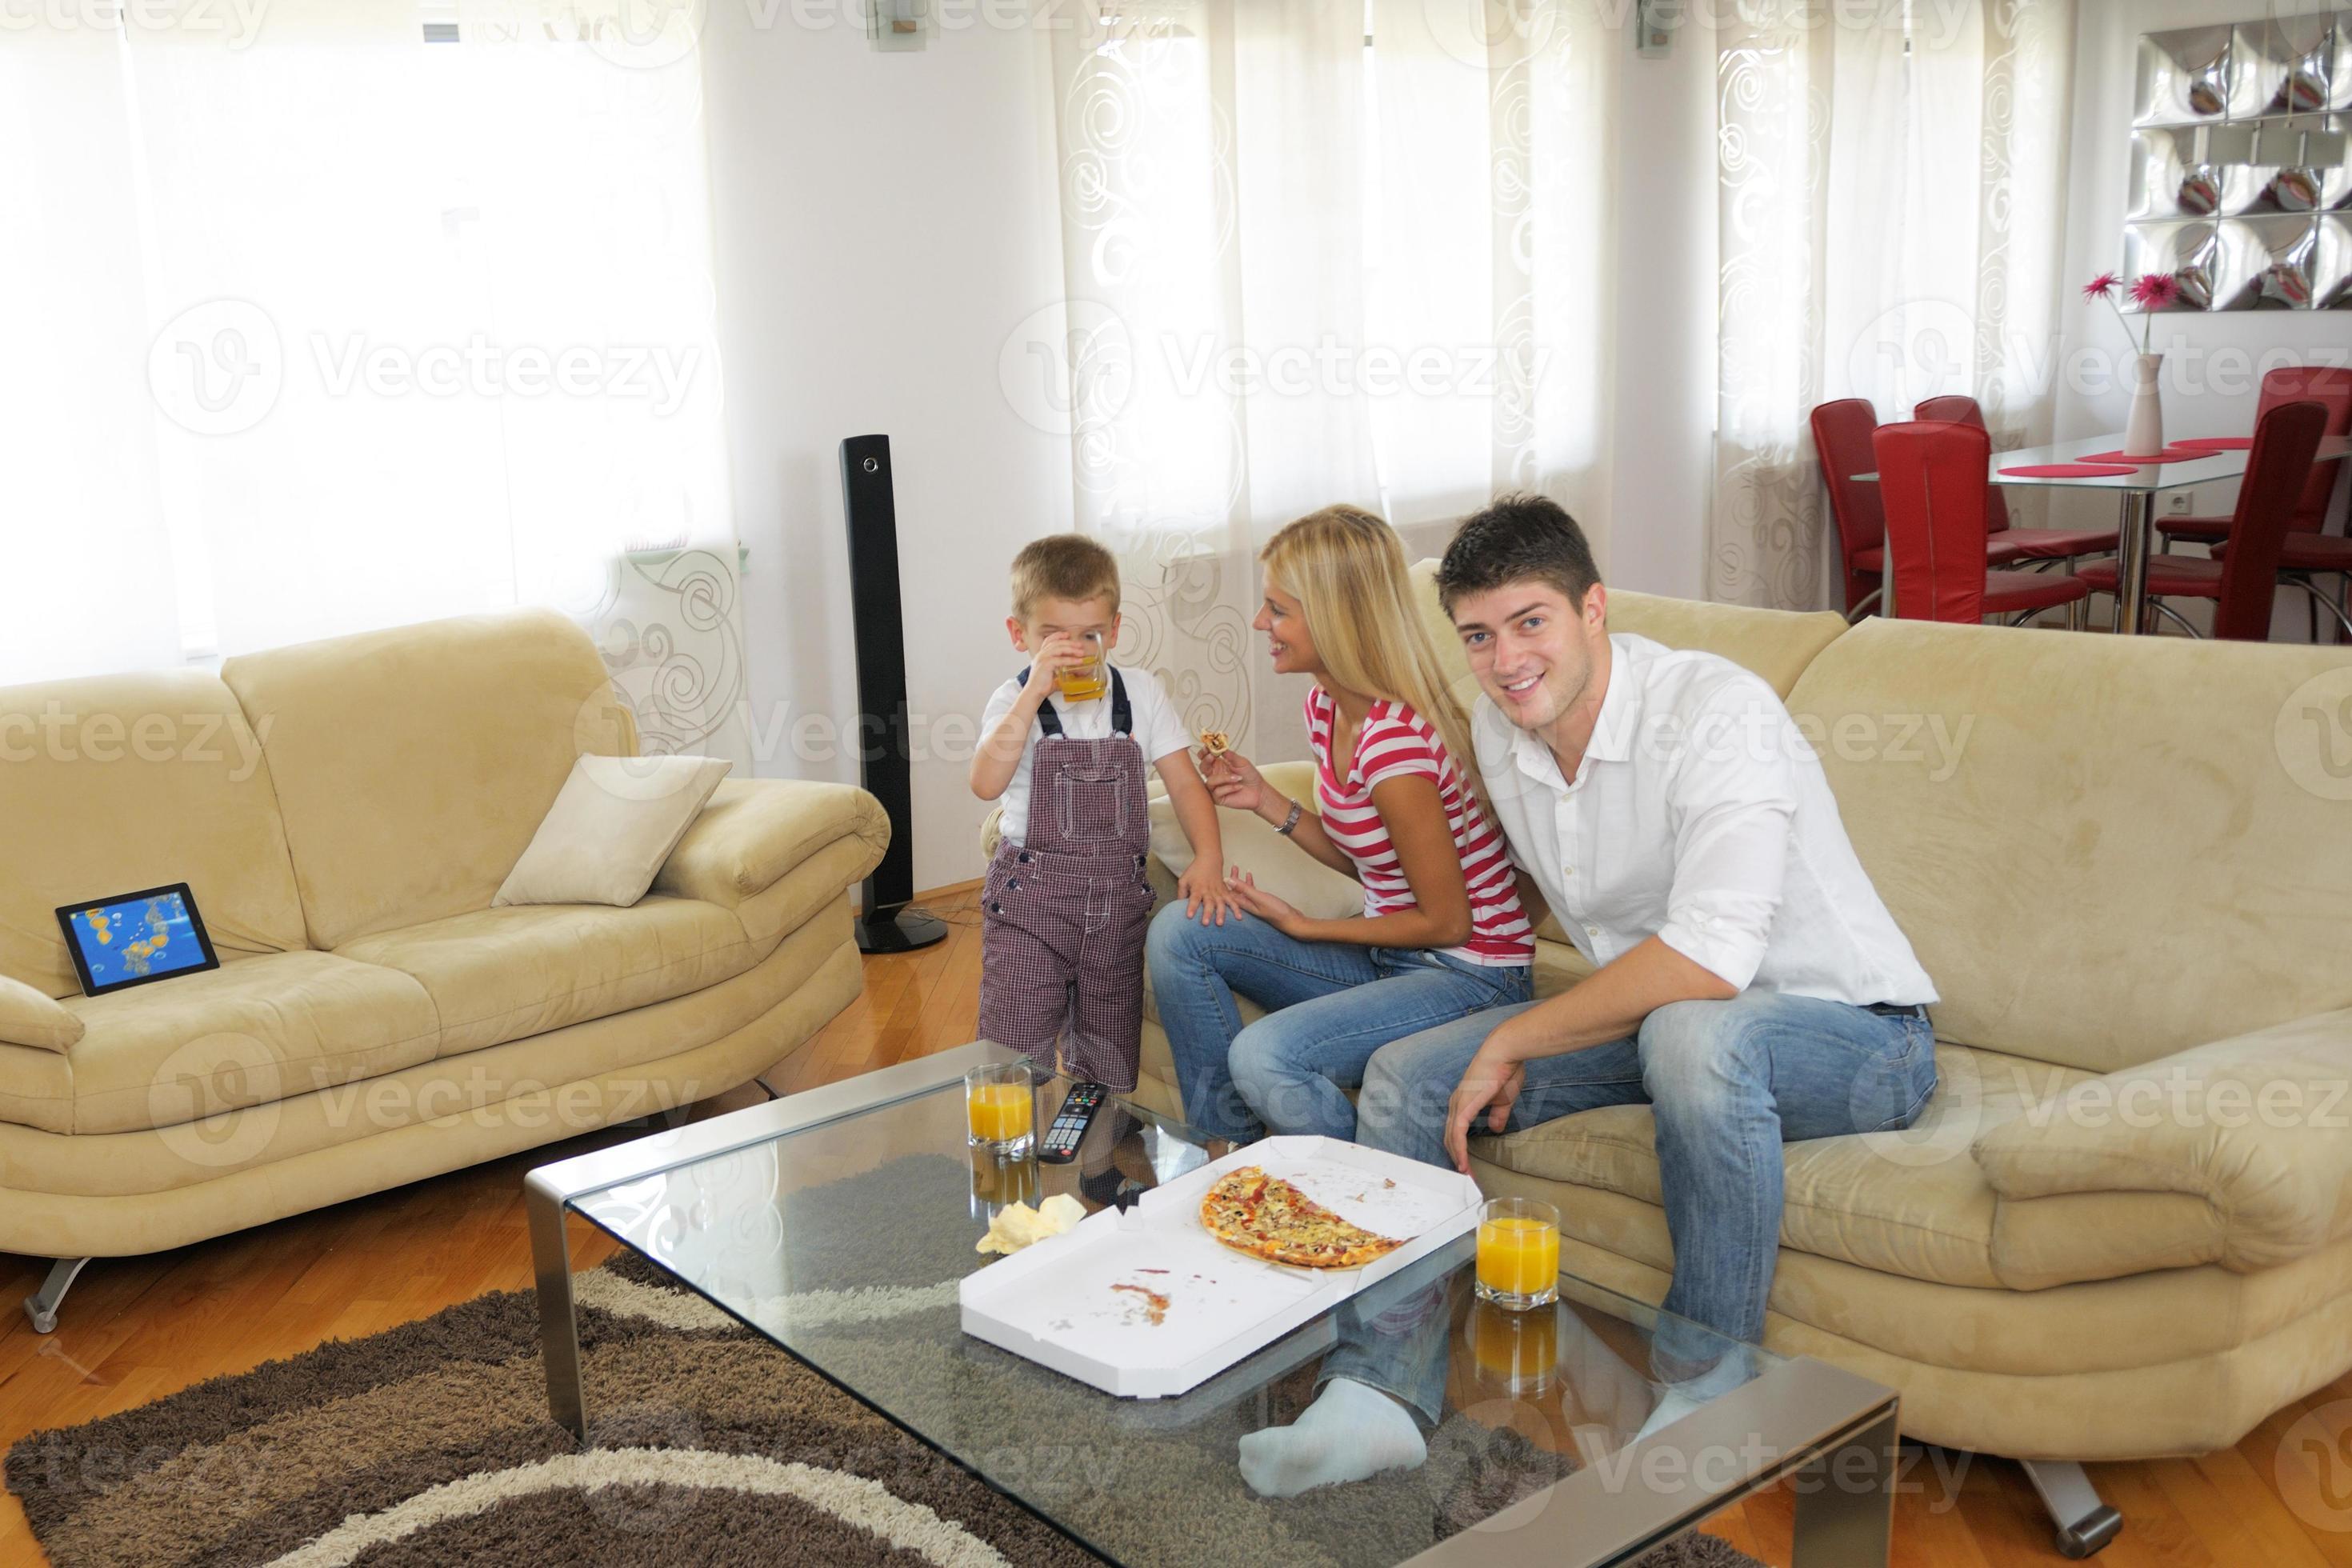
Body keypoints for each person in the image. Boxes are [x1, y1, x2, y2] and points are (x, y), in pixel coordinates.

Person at [1240, 494, 1939, 1494]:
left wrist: (1518, 1034)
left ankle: (1711, 1391)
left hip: (1857, 1039)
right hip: (1658, 1023)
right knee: (1404, 1078)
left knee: (1697, 1038)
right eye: (1478, 636)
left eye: (1532, 622)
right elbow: (1506, 891)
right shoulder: (1500, 730)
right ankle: (1379, 1394)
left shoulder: (1715, 710)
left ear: (1594, 609)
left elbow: (1709, 958)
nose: (1506, 658)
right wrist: (1483, 1013)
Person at [1146, 505, 1532, 1142]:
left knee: (1265, 1055)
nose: (1258, 622)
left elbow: (1448, 922)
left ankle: (1348, 1197)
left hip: (1469, 975)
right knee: (1182, 933)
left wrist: (1303, 925)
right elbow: (1375, 863)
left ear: (1333, 620)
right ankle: (1229, 1156)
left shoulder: (1395, 747)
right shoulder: (1327, 706)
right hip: (1392, 956)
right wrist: (1268, 801)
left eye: (1278, 610)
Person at [970, 534, 1232, 1092]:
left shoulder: (1141, 694)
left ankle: (1099, 1167)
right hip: (1030, 906)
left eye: (1089, 635)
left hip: (1116, 905)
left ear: (1113, 630)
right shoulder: (1010, 702)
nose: (1075, 650)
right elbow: (984, 782)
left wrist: (1208, 857)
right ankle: (1009, 1164)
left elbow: (1185, 784)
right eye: (1053, 637)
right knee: (1014, 1049)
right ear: (1020, 635)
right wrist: (1032, 693)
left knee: (1110, 1052)